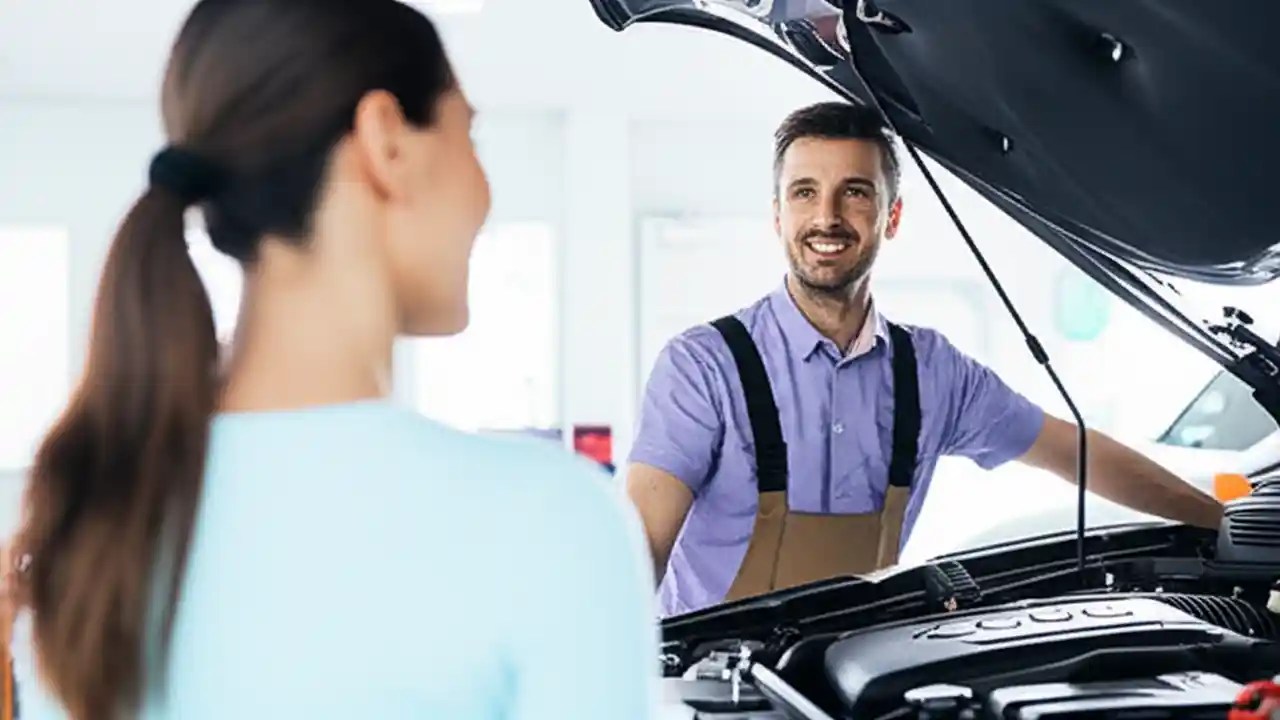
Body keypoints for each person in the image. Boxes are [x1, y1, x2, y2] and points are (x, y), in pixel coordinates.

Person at [6, 2, 655, 718]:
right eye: (469, 133)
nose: (484, 191)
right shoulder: (554, 524)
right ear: (387, 142)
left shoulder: (90, 537)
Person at [625, 101, 1225, 618]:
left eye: (854, 193)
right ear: (777, 214)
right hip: (714, 686)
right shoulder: (704, 367)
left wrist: (1227, 525)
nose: (826, 217)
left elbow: (1078, 454)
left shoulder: (933, 373)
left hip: (848, 676)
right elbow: (639, 549)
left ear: (892, 216)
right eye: (804, 193)